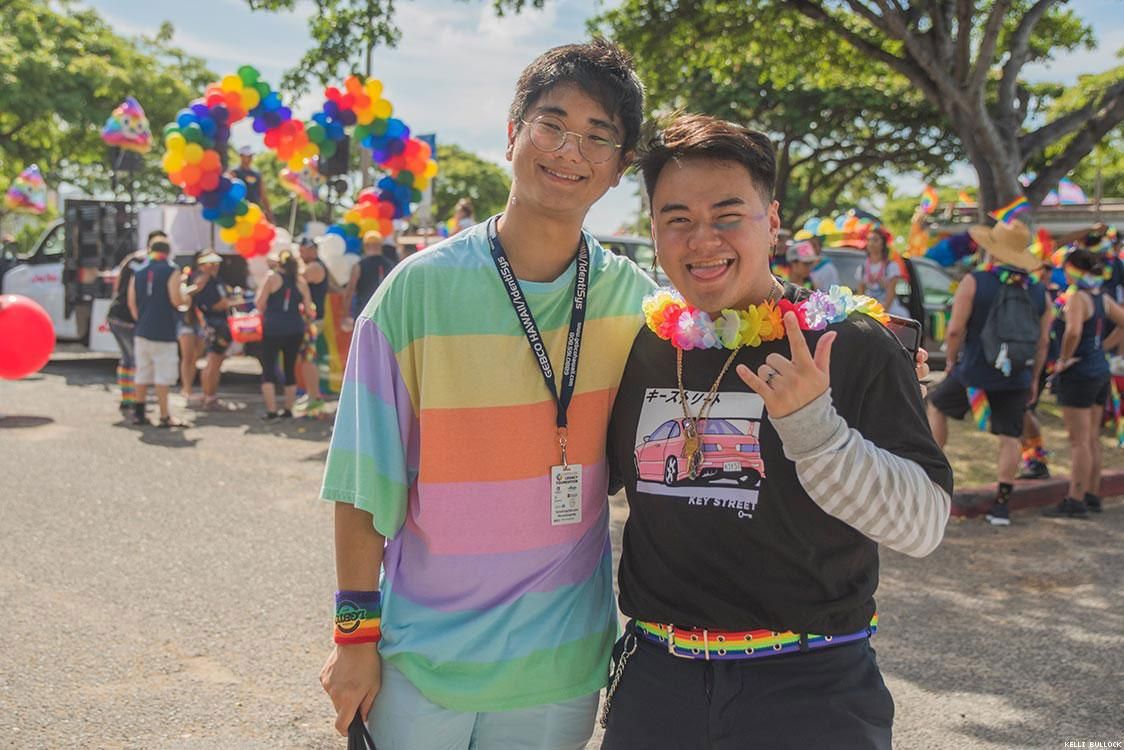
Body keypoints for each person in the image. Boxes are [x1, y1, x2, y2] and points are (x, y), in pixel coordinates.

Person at [318, 40, 650, 749]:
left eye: (599, 136)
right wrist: (354, 639)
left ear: (620, 169)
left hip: (559, 671)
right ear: (512, 135)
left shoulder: (637, 306)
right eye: (551, 123)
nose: (569, 150)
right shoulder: (416, 292)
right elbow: (359, 486)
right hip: (420, 661)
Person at [599, 114, 952, 750]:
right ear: (652, 231)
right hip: (656, 684)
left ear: (773, 220)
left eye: (728, 214)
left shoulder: (848, 344)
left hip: (810, 689)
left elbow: (923, 525)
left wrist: (816, 431)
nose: (701, 240)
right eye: (676, 218)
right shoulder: (641, 345)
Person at [927, 218, 1051, 526]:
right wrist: (1034, 379)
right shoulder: (1039, 292)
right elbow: (1043, 342)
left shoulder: (976, 281)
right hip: (1018, 374)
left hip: (975, 370)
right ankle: (1001, 507)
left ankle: (932, 478)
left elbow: (955, 330)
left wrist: (953, 361)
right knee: (1010, 436)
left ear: (992, 249)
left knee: (937, 405)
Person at [1046, 246, 1124, 518]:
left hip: (1079, 374)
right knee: (1091, 438)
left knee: (1079, 441)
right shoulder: (1101, 296)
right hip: (1099, 371)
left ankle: (1075, 499)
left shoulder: (1078, 297)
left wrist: (1065, 359)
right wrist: (1101, 348)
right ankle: (1092, 494)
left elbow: (1074, 330)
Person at [127, 239, 187, 427]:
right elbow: (176, 300)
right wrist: (186, 297)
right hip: (164, 330)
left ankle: (139, 413)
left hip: (142, 330)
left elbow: (131, 302)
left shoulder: (138, 271)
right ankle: (164, 415)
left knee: (142, 372)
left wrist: (141, 319)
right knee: (163, 375)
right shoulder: (172, 270)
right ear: (168, 252)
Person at [106, 230, 166, 415]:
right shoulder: (151, 264)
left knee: (127, 359)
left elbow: (117, 287)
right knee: (137, 361)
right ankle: (135, 401)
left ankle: (127, 398)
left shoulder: (131, 259)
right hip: (131, 319)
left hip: (115, 315)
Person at [255, 248, 314, 419]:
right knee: (290, 368)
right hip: (295, 328)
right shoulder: (300, 281)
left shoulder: (271, 277)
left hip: (272, 328)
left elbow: (260, 303)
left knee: (268, 369)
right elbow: (309, 309)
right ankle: (289, 409)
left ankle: (272, 410)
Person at [192, 252, 233, 409]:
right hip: (213, 324)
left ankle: (210, 394)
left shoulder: (217, 280)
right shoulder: (203, 281)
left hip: (221, 322)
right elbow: (214, 304)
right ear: (202, 265)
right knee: (213, 360)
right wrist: (228, 302)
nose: (215, 266)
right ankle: (208, 395)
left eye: (216, 263)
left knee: (217, 360)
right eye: (211, 263)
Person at [298, 236, 331, 417]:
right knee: (307, 359)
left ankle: (315, 396)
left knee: (309, 359)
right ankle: (312, 393)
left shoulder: (314, 267)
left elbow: (296, 280)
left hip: (313, 321)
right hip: (314, 319)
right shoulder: (318, 265)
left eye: (303, 251)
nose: (301, 254)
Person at [342, 230, 394, 329]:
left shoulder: (358, 266)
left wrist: (345, 315)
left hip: (364, 314)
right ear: (380, 246)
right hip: (386, 316)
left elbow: (349, 291)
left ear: (365, 246)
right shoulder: (391, 265)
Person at [855, 226, 909, 317]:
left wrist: (882, 313)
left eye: (875, 240)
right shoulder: (862, 268)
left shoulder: (891, 266)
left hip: (888, 308)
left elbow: (891, 294)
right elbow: (861, 294)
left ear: (883, 244)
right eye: (869, 240)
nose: (871, 244)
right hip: (869, 308)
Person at [177, 258, 206, 403]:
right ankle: (186, 388)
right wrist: (196, 287)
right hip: (186, 321)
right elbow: (182, 297)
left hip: (199, 321)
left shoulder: (211, 279)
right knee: (187, 356)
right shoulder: (187, 276)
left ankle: (189, 388)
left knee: (196, 356)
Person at [231, 145, 273, 223]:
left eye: (251, 156)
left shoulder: (257, 174)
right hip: (239, 212)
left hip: (254, 212)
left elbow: (263, 195)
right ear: (241, 156)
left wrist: (269, 214)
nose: (250, 158)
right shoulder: (234, 173)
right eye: (247, 156)